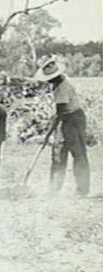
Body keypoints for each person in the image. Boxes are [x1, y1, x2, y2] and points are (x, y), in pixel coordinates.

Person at [33, 56, 90, 196]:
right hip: (73, 117)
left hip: (72, 119)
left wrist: (47, 134)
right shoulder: (61, 80)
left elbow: (60, 113)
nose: (48, 81)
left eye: (50, 79)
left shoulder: (61, 88)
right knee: (63, 153)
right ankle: (56, 189)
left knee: (72, 153)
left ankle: (79, 190)